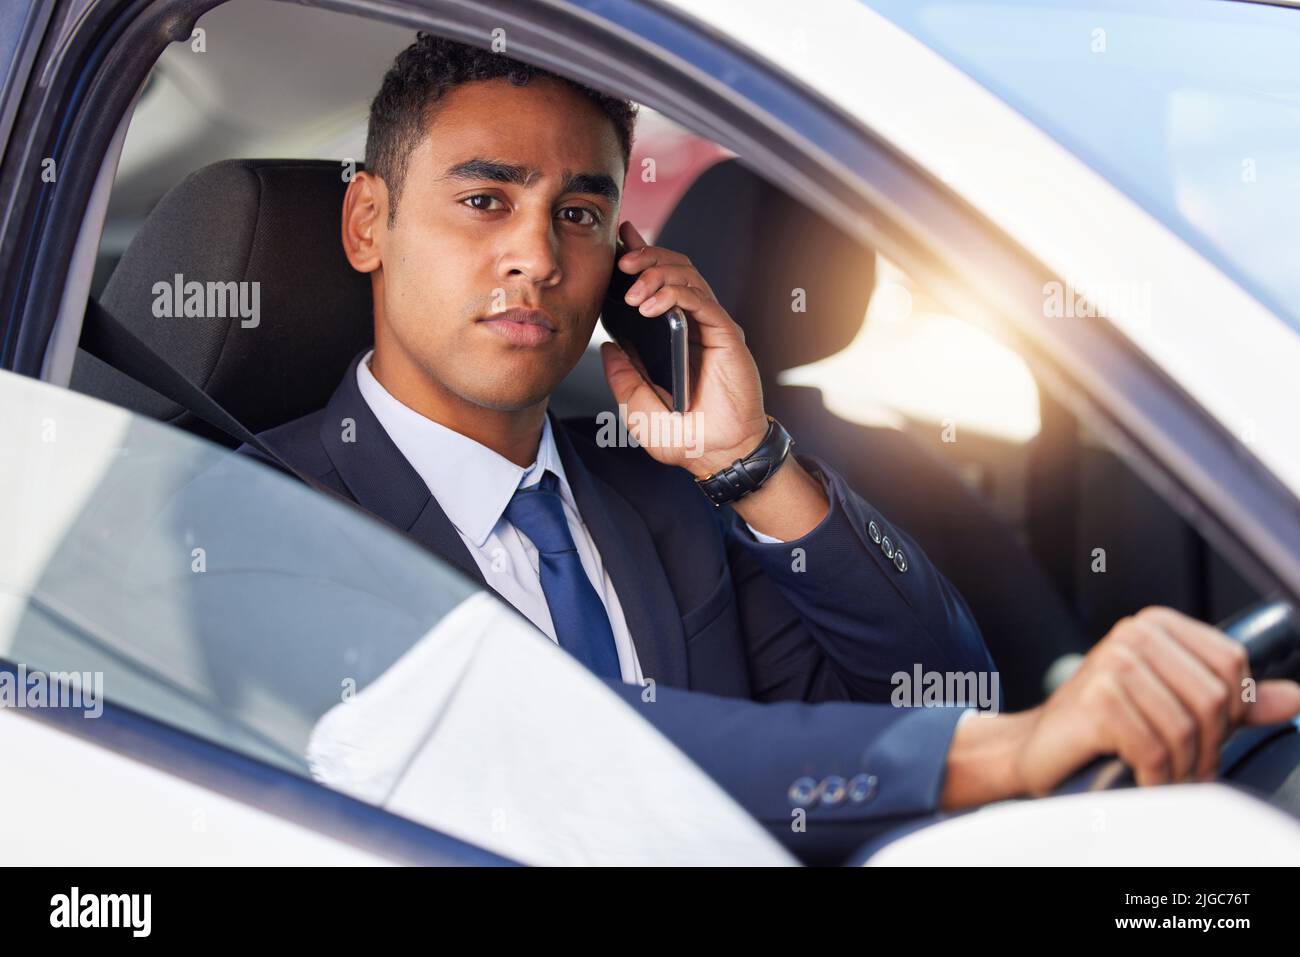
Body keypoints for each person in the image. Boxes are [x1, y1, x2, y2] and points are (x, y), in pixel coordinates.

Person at [245, 33, 1300, 863]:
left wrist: (747, 459)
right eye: (485, 200)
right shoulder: (253, 511)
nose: (535, 255)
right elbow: (542, 748)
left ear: (622, 261)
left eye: (578, 213)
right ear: (367, 224)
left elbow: (941, 688)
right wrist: (1005, 754)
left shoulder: (662, 497)